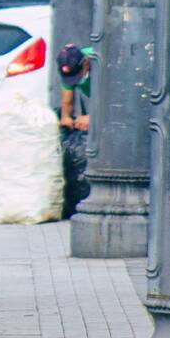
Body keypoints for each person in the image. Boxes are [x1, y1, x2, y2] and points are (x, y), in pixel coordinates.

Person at [56, 43, 94, 218]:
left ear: (85, 63)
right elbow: (67, 99)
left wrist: (93, 119)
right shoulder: (70, 65)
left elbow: (117, 103)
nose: (75, 80)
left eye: (76, 76)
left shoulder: (100, 62)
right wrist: (65, 117)